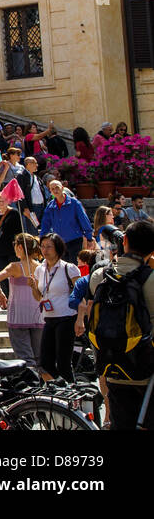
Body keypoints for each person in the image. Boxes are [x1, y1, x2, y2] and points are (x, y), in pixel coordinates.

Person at [87, 221, 154, 428]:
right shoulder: (150, 279)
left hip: (114, 367)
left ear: (124, 241)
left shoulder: (100, 277)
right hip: (147, 372)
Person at [0, 232, 45, 366]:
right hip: (38, 315)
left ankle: (31, 381)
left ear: (19, 247)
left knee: (24, 356)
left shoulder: (14, 267)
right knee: (38, 355)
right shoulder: (41, 267)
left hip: (18, 316)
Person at [35, 232, 82, 381]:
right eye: (42, 246)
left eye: (49, 246)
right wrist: (32, 287)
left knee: (63, 362)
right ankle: (62, 386)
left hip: (66, 317)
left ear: (57, 248)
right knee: (45, 362)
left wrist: (80, 319)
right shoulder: (39, 270)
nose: (45, 250)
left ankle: (71, 392)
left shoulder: (69, 268)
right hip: (49, 318)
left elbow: (81, 295)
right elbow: (39, 297)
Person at [39, 178, 94, 263]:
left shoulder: (74, 203)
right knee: (63, 268)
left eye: (57, 187)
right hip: (59, 242)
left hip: (75, 240)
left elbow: (84, 220)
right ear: (50, 191)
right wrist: (42, 240)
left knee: (74, 267)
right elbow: (45, 225)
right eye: (52, 189)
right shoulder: (50, 206)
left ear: (62, 188)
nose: (55, 190)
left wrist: (89, 237)